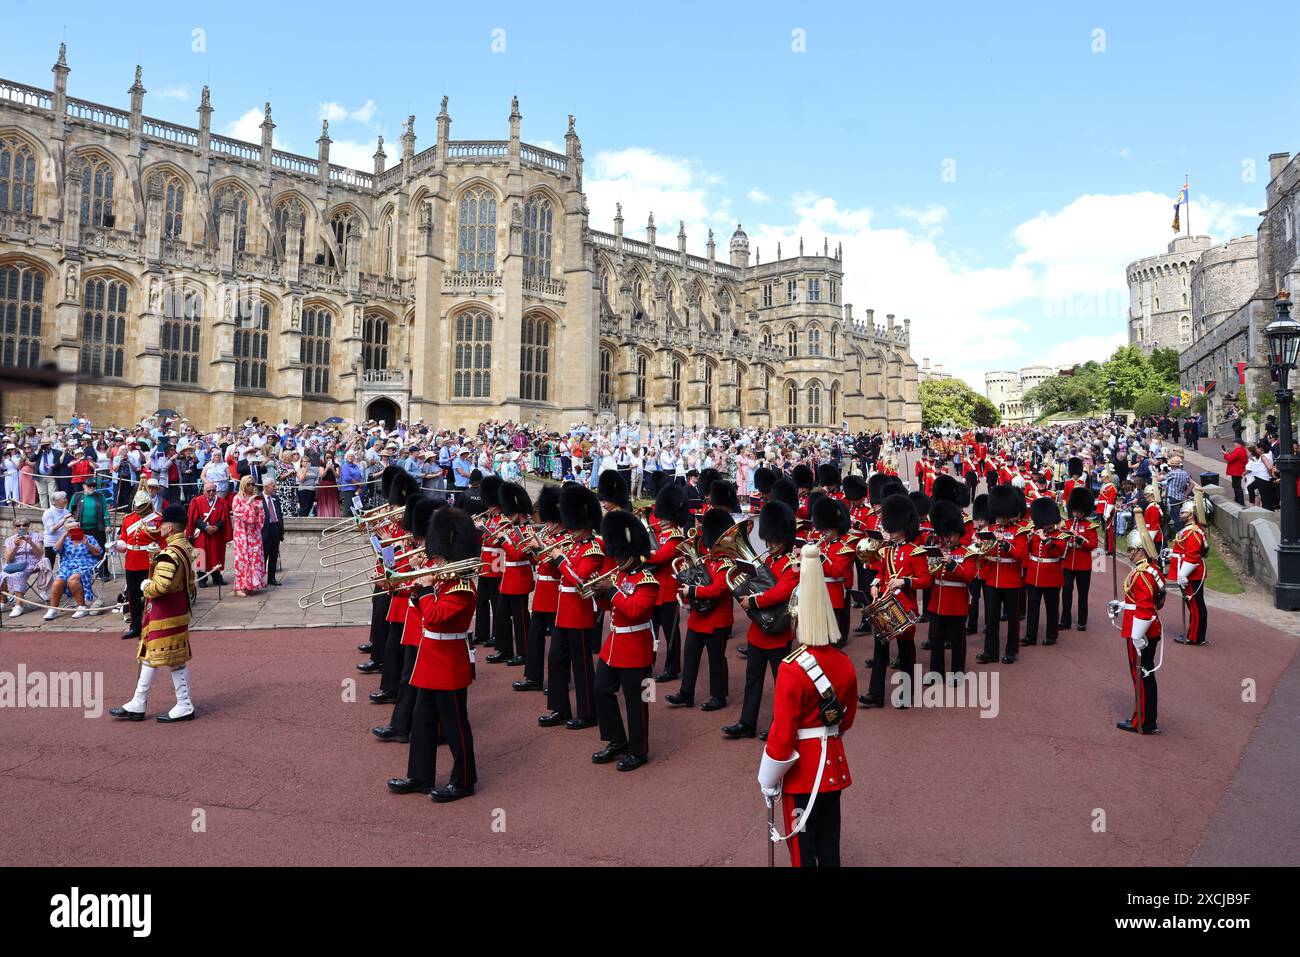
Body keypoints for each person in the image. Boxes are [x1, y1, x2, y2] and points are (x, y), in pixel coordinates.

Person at [757, 541, 858, 867]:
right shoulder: (844, 662)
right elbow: (846, 719)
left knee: (802, 851)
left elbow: (783, 734)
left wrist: (768, 777)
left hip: (802, 774)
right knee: (829, 845)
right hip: (833, 766)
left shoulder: (791, 668)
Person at [387, 507, 480, 802]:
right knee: (422, 720)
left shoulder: (462, 587)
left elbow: (437, 616)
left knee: (455, 726)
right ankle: (420, 775)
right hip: (430, 660)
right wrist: (413, 585)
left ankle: (464, 780)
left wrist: (424, 590)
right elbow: (423, 609)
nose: (434, 560)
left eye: (438, 556)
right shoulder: (443, 579)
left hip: (449, 664)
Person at [109, 504, 197, 723]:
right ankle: (139, 702)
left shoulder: (170, 553)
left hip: (166, 612)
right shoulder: (183, 547)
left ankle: (184, 704)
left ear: (169, 527)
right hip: (175, 610)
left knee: (170, 658)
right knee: (153, 655)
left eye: (162, 525)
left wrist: (145, 585)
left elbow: (161, 587)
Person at [723, 500, 800, 738]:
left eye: (774, 540)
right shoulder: (768, 560)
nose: (770, 544)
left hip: (778, 628)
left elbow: (782, 591)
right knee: (752, 679)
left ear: (784, 539)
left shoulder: (791, 563)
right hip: (758, 630)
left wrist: (754, 601)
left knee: (781, 683)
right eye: (768, 539)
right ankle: (747, 723)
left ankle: (781, 724)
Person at [591, 510, 659, 771]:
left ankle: (639, 750)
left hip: (636, 649)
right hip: (614, 645)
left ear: (633, 554)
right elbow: (612, 607)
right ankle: (617, 739)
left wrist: (612, 591)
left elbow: (635, 611)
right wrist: (599, 594)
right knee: (601, 690)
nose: (617, 559)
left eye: (621, 555)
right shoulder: (620, 576)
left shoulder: (648, 581)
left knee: (637, 701)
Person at [540, 483, 604, 730]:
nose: (572, 531)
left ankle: (588, 712)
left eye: (576, 526)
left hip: (579, 612)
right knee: (556, 659)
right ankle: (559, 707)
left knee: (582, 665)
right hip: (563, 612)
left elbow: (578, 578)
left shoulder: (592, 549)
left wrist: (559, 558)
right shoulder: (575, 545)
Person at [860, 493, 931, 707]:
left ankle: (907, 693)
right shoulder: (886, 551)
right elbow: (881, 574)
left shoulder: (915, 552)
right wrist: (874, 585)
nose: (889, 530)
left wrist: (904, 582)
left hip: (904, 608)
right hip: (885, 604)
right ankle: (876, 694)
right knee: (880, 648)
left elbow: (925, 580)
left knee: (906, 651)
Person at [668, 508, 736, 711]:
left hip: (717, 619)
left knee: (716, 659)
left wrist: (693, 591)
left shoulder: (725, 563)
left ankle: (719, 695)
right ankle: (686, 693)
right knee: (690, 654)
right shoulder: (706, 560)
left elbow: (718, 589)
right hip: (699, 618)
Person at [1116, 526, 1164, 735]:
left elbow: (1145, 608)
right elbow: (1158, 600)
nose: (1129, 553)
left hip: (1140, 630)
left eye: (1131, 550)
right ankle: (1147, 718)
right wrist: (1123, 605)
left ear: (1141, 551)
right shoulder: (1153, 569)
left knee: (1141, 676)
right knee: (1146, 675)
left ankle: (1142, 721)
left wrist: (1137, 637)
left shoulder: (1142, 574)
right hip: (1146, 628)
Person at [975, 485, 1028, 666]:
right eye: (998, 515)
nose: (1000, 519)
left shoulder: (1019, 531)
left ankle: (1011, 651)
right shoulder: (990, 529)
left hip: (1012, 580)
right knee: (991, 618)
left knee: (1012, 619)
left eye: (1002, 515)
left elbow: (1021, 556)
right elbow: (982, 556)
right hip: (991, 579)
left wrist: (1005, 544)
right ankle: (990, 651)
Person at [926, 500, 978, 683]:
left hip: (956, 603)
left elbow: (970, 575)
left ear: (958, 534)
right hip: (937, 602)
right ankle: (936, 673)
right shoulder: (937, 550)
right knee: (936, 640)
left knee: (957, 642)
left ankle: (957, 674)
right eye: (946, 535)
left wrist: (953, 564)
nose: (949, 539)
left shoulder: (968, 553)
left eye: (952, 535)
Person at [489, 482, 534, 665]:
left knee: (521, 619)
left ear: (518, 512)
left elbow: (517, 554)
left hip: (520, 578)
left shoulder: (528, 530)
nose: (507, 516)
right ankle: (505, 649)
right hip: (508, 579)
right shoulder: (511, 529)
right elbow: (496, 545)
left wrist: (504, 540)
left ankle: (524, 652)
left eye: (510, 513)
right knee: (502, 616)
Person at [1022, 497, 1067, 647]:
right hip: (1034, 575)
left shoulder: (1061, 536)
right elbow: (1024, 552)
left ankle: (1051, 635)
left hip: (1051, 577)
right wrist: (1028, 541)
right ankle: (1030, 635)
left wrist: (1045, 539)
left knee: (1052, 607)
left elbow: (1058, 553)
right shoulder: (1033, 533)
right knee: (1032, 607)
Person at [44, 519, 102, 620]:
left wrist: (87, 544)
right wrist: (64, 535)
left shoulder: (88, 538)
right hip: (67, 565)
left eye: (76, 528)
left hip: (85, 564)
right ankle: (53, 609)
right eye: (71, 529)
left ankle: (81, 607)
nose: (74, 530)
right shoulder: (65, 540)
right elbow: (56, 549)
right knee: (58, 582)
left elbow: (98, 552)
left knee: (73, 579)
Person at [1171, 493, 1209, 647]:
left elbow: (1192, 556)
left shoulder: (1192, 532)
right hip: (1189, 572)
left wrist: (1182, 574)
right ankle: (1196, 634)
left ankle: (1195, 637)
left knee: (1195, 606)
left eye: (1183, 512)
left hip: (1190, 574)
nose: (1181, 514)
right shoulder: (1191, 530)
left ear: (1192, 515)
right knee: (1195, 605)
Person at [1059, 487, 1098, 632]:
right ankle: (1065, 620)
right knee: (1066, 592)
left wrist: (1080, 540)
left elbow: (1093, 545)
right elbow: (1060, 542)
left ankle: (1082, 621)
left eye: (1079, 511)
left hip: (1083, 565)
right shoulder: (1067, 524)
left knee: (1083, 594)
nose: (1076, 514)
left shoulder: (1090, 526)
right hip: (1068, 563)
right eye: (1074, 511)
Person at [186, 481, 231, 586]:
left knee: (216, 554)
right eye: (208, 491)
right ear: (203, 491)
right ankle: (202, 578)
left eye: (213, 490)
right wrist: (205, 527)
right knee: (201, 554)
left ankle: (217, 577)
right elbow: (194, 518)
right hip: (202, 532)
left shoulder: (221, 502)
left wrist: (216, 527)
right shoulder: (197, 501)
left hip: (216, 532)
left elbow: (224, 518)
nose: (211, 493)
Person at [1, 517, 46, 618]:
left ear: (29, 526)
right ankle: (3, 601)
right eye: (18, 525)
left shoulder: (35, 537)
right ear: (15, 528)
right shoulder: (9, 540)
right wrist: (16, 546)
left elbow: (39, 555)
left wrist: (30, 542)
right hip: (14, 564)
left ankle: (19, 605)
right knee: (2, 575)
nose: (21, 527)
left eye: (24, 525)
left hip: (31, 564)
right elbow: (8, 559)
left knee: (18, 575)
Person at [229, 475, 267, 596]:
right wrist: (248, 506)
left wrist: (256, 511)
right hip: (242, 534)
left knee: (254, 559)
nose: (251, 486)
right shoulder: (237, 498)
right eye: (248, 484)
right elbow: (237, 513)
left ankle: (251, 585)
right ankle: (240, 587)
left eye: (252, 484)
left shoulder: (257, 498)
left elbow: (262, 515)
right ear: (243, 485)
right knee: (242, 560)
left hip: (254, 533)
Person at [261, 478, 286, 586]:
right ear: (266, 487)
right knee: (264, 555)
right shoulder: (259, 499)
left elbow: (279, 515)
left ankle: (271, 578)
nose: (275, 488)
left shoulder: (275, 498)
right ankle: (261, 579)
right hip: (265, 529)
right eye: (273, 486)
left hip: (275, 528)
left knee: (274, 554)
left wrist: (281, 530)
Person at [1222, 439, 1248, 507]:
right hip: (1238, 470)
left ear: (1239, 444)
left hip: (1236, 471)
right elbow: (1234, 457)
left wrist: (1225, 454)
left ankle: (1240, 502)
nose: (1234, 444)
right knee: (1236, 485)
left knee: (1237, 486)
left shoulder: (1238, 450)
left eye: (1235, 443)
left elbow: (1230, 459)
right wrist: (1229, 453)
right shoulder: (1242, 449)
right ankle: (1237, 500)